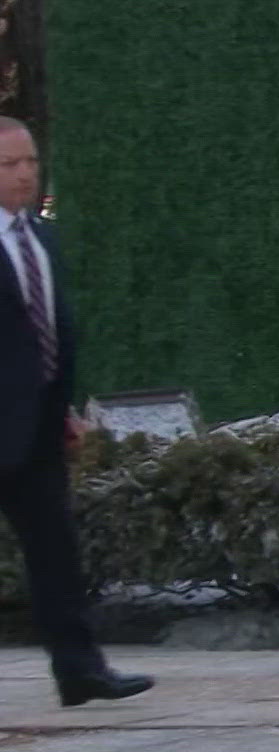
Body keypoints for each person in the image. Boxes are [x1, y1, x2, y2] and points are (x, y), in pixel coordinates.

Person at [0, 117, 152, 709]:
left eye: (30, 162)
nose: (24, 175)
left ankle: (81, 671)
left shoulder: (41, 237)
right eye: (9, 165)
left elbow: (52, 331)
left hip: (34, 429)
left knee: (56, 554)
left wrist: (61, 408)